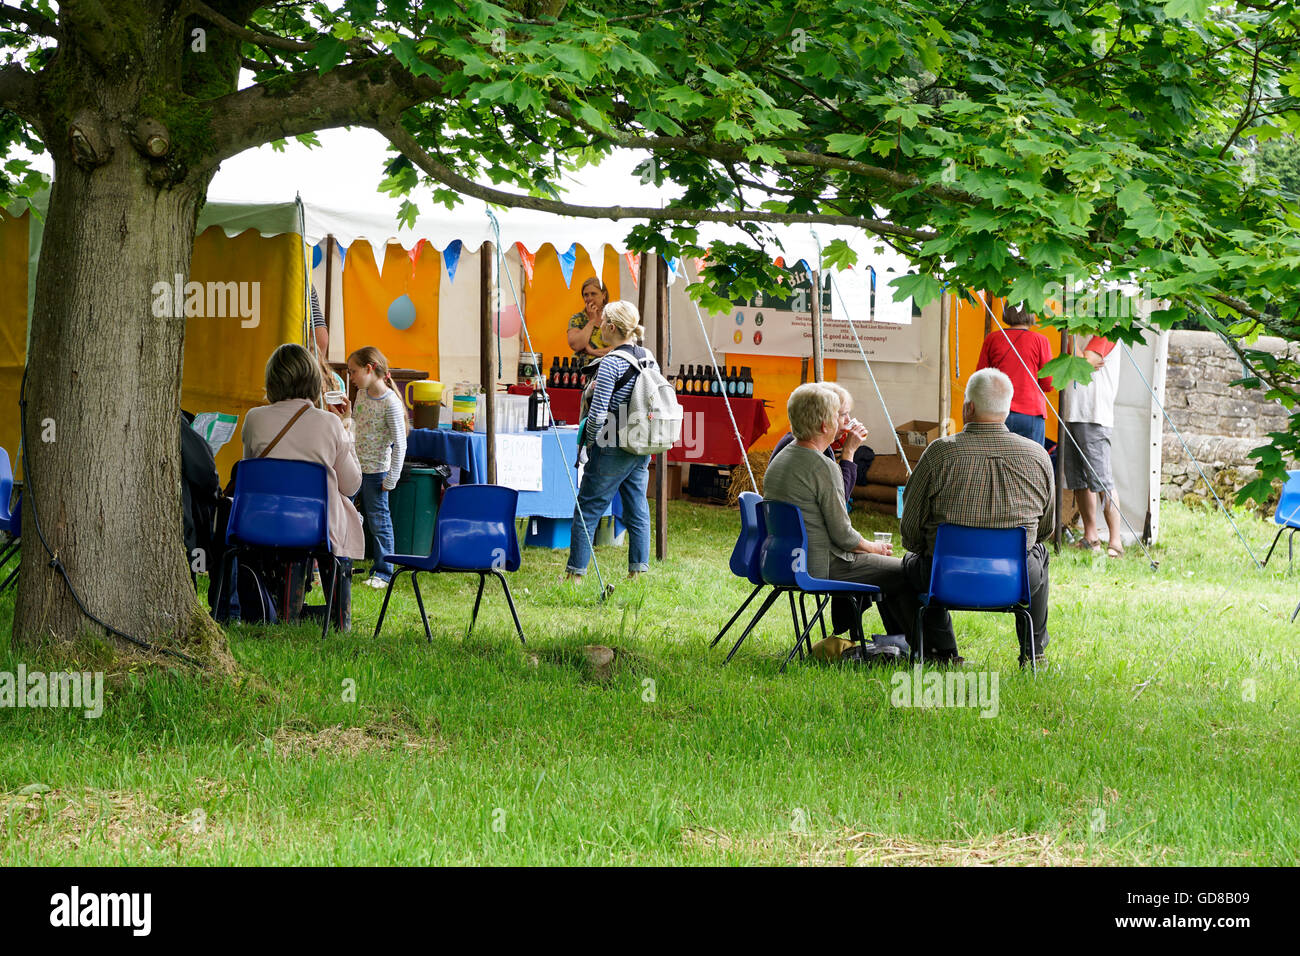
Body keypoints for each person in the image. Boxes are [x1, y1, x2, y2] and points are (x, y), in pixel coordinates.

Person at [900, 368, 1054, 667]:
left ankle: (940, 653)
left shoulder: (939, 454)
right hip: (1015, 578)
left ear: (968, 407)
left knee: (910, 564)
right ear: (1007, 409)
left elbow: (910, 526)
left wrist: (921, 547)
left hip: (943, 577)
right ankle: (1033, 653)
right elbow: (1044, 529)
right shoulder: (1038, 456)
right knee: (1040, 554)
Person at [763, 383, 921, 645]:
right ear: (825, 426)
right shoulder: (822, 466)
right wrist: (872, 547)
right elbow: (843, 535)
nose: (844, 422)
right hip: (820, 564)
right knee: (907, 569)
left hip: (783, 560)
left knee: (892, 570)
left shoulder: (781, 459)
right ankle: (924, 649)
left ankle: (899, 644)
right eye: (840, 415)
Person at [238, 343, 364, 628]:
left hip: (262, 521)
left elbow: (252, 473)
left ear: (273, 379)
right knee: (344, 506)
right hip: (314, 527)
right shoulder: (331, 423)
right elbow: (352, 484)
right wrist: (347, 428)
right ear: (313, 379)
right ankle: (339, 617)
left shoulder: (254, 419)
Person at [566, 300, 654, 583]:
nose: (600, 326)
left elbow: (597, 413)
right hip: (640, 444)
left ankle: (575, 576)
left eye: (603, 322)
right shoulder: (647, 356)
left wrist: (588, 445)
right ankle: (637, 573)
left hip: (612, 444)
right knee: (637, 508)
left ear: (611, 327)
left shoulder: (611, 364)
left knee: (588, 508)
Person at [347, 346, 408, 589]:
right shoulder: (361, 393)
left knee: (378, 521)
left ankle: (383, 572)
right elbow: (355, 424)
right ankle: (342, 563)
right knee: (345, 514)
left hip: (376, 474)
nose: (350, 377)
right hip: (353, 468)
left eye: (353, 372)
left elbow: (400, 444)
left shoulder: (390, 403)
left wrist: (391, 478)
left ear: (369, 369)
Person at [1062, 334, 1124, 557]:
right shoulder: (1080, 331)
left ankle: (1115, 541)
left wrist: (1071, 341)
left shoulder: (1108, 328)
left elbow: (1082, 365)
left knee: (1102, 479)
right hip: (1072, 410)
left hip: (1094, 413)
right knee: (1077, 479)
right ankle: (1091, 537)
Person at [771, 381, 870, 505]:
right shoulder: (808, 449)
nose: (848, 420)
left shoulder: (794, 442)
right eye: (842, 414)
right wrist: (848, 452)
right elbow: (839, 500)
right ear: (825, 417)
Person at [975, 303, 1054, 445]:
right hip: (1030, 412)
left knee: (997, 462)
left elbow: (981, 379)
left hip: (997, 411)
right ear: (1031, 313)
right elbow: (1048, 383)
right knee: (1031, 463)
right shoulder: (1041, 341)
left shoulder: (992, 339)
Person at [566, 276, 613, 365]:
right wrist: (592, 321)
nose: (589, 298)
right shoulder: (577, 319)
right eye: (586, 295)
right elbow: (576, 345)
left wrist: (592, 351)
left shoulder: (613, 318)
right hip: (581, 371)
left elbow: (619, 347)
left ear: (604, 295)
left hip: (606, 368)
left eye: (593, 294)